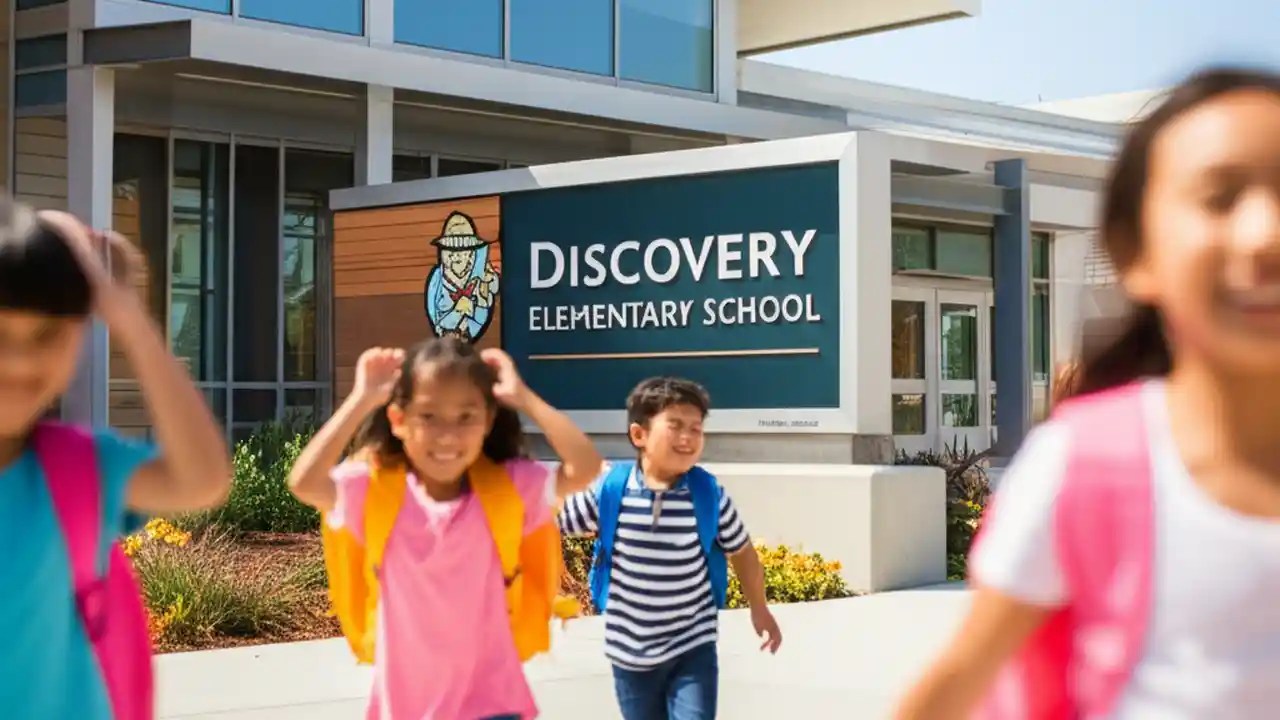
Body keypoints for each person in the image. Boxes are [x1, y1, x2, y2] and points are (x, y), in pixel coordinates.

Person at [893, 67, 1280, 719]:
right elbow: (956, 686)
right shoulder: (1085, 464)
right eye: (1219, 197)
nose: (1266, 234)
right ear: (1135, 253)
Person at [288, 338, 603, 720]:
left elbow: (585, 468)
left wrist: (524, 398)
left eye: (466, 416)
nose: (448, 435)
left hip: (494, 705)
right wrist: (362, 398)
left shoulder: (509, 488)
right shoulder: (374, 490)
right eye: (429, 416)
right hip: (407, 709)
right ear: (398, 420)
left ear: (488, 420)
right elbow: (304, 483)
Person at [0, 202, 231, 717]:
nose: (19, 362)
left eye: (46, 335)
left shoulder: (75, 469)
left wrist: (127, 316)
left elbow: (200, 480)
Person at [559, 376, 782, 720]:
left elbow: (743, 552)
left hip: (692, 647)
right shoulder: (610, 491)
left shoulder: (708, 494)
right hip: (629, 653)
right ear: (639, 435)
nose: (688, 437)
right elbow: (548, 523)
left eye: (696, 428)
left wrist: (759, 607)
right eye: (675, 426)